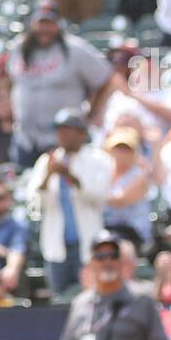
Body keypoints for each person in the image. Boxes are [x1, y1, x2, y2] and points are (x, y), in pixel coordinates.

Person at [3, 1, 113, 168]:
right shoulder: (18, 48)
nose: (45, 29)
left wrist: (93, 113)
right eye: (41, 23)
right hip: (25, 140)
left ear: (59, 25)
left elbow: (105, 78)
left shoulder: (75, 50)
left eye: (50, 24)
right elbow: (9, 81)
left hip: (61, 141)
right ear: (32, 24)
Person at [27, 109, 114, 296]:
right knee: (59, 300)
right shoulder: (46, 162)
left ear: (82, 133)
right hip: (55, 246)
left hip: (88, 245)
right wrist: (50, 174)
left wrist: (69, 176)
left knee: (92, 296)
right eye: (59, 130)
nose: (62, 135)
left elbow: (99, 197)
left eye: (68, 130)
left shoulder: (98, 159)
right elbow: (34, 204)